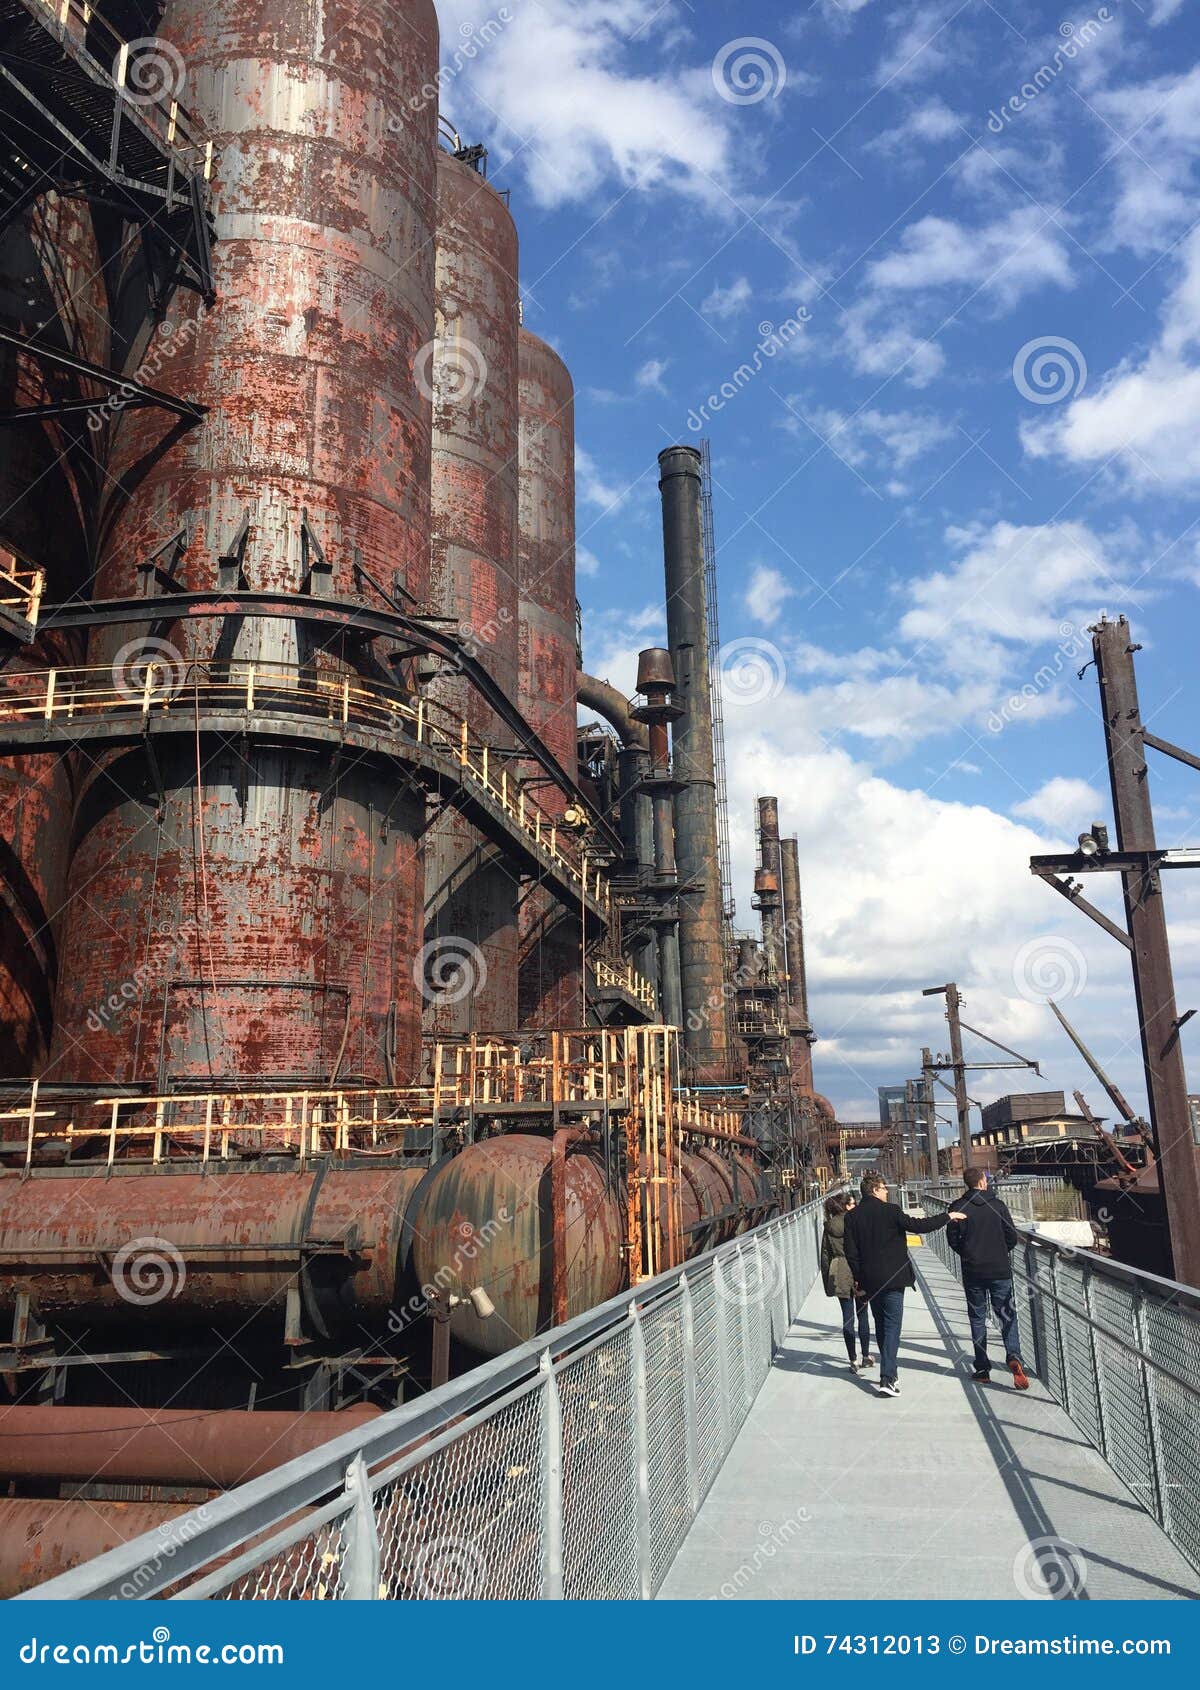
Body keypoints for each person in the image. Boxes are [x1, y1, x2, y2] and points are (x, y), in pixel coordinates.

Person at [844, 1170, 965, 1398]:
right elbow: (919, 1226)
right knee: (892, 1327)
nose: (886, 1192)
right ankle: (887, 1378)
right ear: (875, 1190)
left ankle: (891, 1371)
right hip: (894, 1278)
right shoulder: (891, 1211)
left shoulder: (852, 1217)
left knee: (882, 1326)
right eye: (883, 1188)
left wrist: (859, 1278)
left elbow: (851, 1253)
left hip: (870, 1281)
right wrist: (948, 1216)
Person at [947, 1166, 1030, 1389]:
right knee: (1006, 1314)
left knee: (977, 1318)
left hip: (973, 1270)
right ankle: (1014, 1356)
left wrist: (968, 1254)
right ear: (983, 1182)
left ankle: (982, 1368)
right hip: (999, 1269)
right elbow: (1011, 1236)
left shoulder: (957, 1207)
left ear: (967, 1183)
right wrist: (1001, 1252)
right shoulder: (998, 1205)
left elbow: (952, 1240)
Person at [820, 1193, 873, 1373]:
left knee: (847, 1317)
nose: (856, 1205)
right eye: (852, 1203)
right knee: (863, 1315)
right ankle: (866, 1355)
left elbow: (825, 1256)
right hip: (859, 1268)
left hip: (840, 1270)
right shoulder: (858, 1222)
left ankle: (853, 1360)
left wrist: (828, 1282)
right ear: (845, 1206)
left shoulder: (830, 1226)